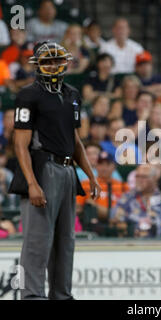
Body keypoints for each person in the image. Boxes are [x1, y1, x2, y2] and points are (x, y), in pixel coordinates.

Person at [11, 41, 101, 300]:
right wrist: (31, 182)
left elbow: (75, 140)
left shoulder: (72, 93)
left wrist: (90, 174)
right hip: (42, 166)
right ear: (37, 64)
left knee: (65, 241)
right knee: (36, 242)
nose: (52, 65)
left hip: (67, 170)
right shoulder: (28, 95)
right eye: (47, 61)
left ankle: (62, 295)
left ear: (66, 62)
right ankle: (31, 295)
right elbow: (20, 143)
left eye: (57, 60)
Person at [110, 163, 161, 238]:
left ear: (154, 178)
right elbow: (115, 217)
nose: (139, 180)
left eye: (144, 177)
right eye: (137, 176)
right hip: (134, 243)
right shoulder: (128, 197)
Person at [76, 151, 129, 236]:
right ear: (96, 166)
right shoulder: (86, 184)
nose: (104, 168)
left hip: (118, 224)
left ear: (114, 167)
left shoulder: (123, 186)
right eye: (100, 164)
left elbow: (129, 209)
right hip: (94, 224)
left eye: (107, 164)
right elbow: (78, 207)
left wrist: (101, 209)